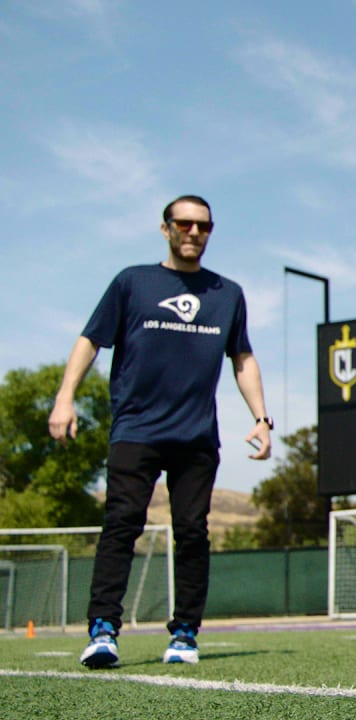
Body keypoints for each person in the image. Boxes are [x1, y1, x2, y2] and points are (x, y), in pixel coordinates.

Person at [49, 195, 272, 668]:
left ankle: (185, 635)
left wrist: (261, 417)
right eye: (184, 224)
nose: (194, 232)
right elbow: (90, 340)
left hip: (196, 437)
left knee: (192, 533)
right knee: (121, 525)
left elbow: (243, 357)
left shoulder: (228, 293)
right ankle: (103, 630)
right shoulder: (132, 282)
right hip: (136, 429)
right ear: (165, 228)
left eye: (203, 226)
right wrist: (65, 397)